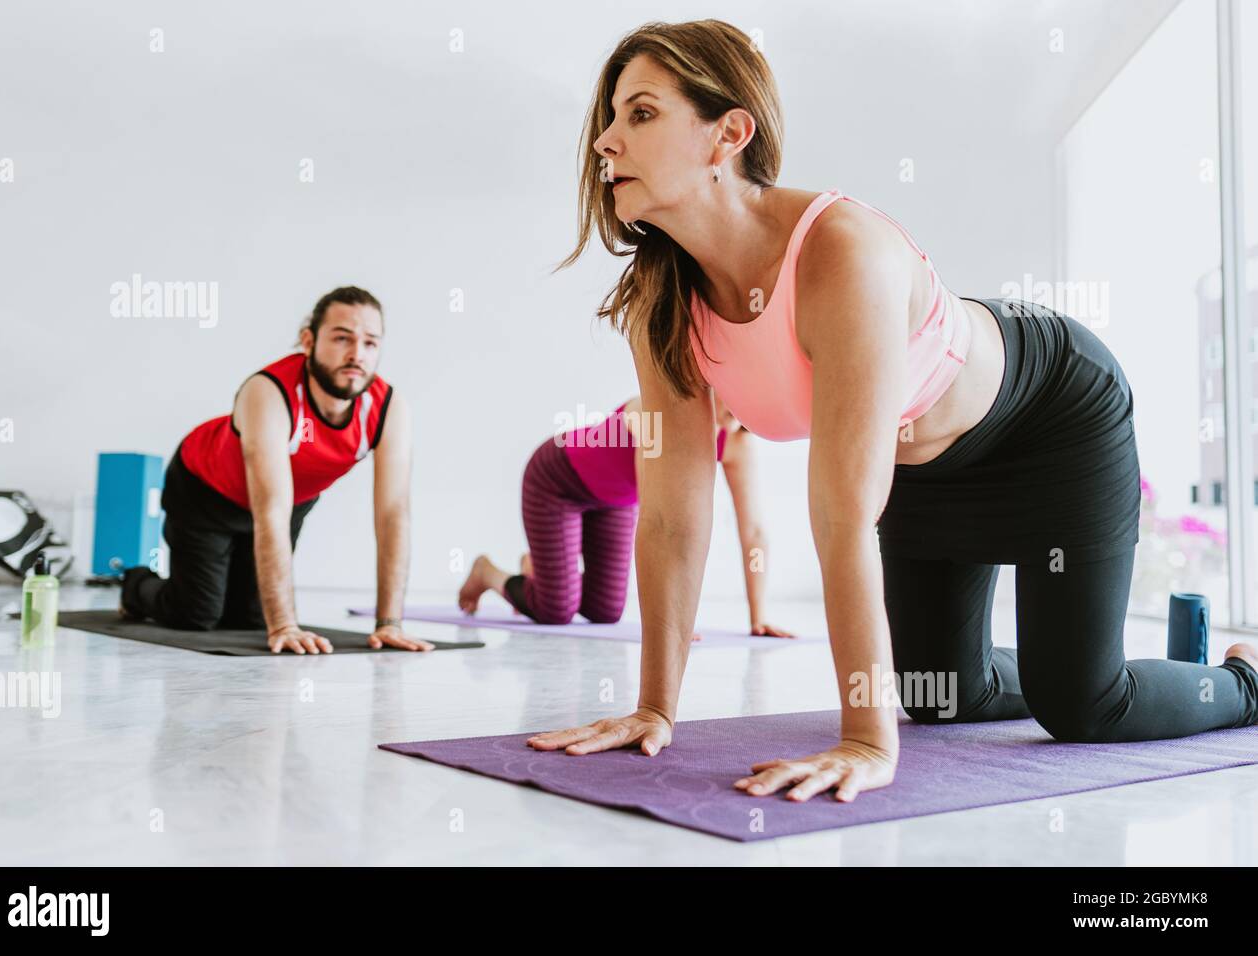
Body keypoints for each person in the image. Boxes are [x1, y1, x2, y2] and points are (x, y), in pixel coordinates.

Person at [528, 19, 1258, 803]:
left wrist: (866, 743)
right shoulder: (662, 303)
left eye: (638, 113)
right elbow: (671, 517)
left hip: (1050, 421)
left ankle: (1242, 676)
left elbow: (842, 514)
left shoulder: (843, 250)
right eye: (608, 117)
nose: (605, 140)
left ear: (727, 134)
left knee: (1083, 703)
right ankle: (1061, 652)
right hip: (924, 466)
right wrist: (653, 709)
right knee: (944, 694)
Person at [120, 286, 433, 655]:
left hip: (290, 502)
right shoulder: (268, 391)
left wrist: (389, 623)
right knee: (197, 613)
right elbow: (270, 509)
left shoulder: (388, 407)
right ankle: (135, 584)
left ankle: (234, 598)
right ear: (308, 340)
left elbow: (393, 514)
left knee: (249, 619)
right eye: (342, 338)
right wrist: (285, 624)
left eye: (370, 343)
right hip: (205, 491)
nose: (356, 354)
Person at [458, 394, 791, 636]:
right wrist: (669, 628)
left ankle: (538, 569)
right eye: (730, 403)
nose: (733, 418)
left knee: (604, 611)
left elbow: (755, 532)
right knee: (556, 609)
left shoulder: (737, 441)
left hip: (613, 502)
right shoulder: (658, 412)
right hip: (557, 480)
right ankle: (487, 571)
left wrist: (757, 618)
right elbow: (658, 519)